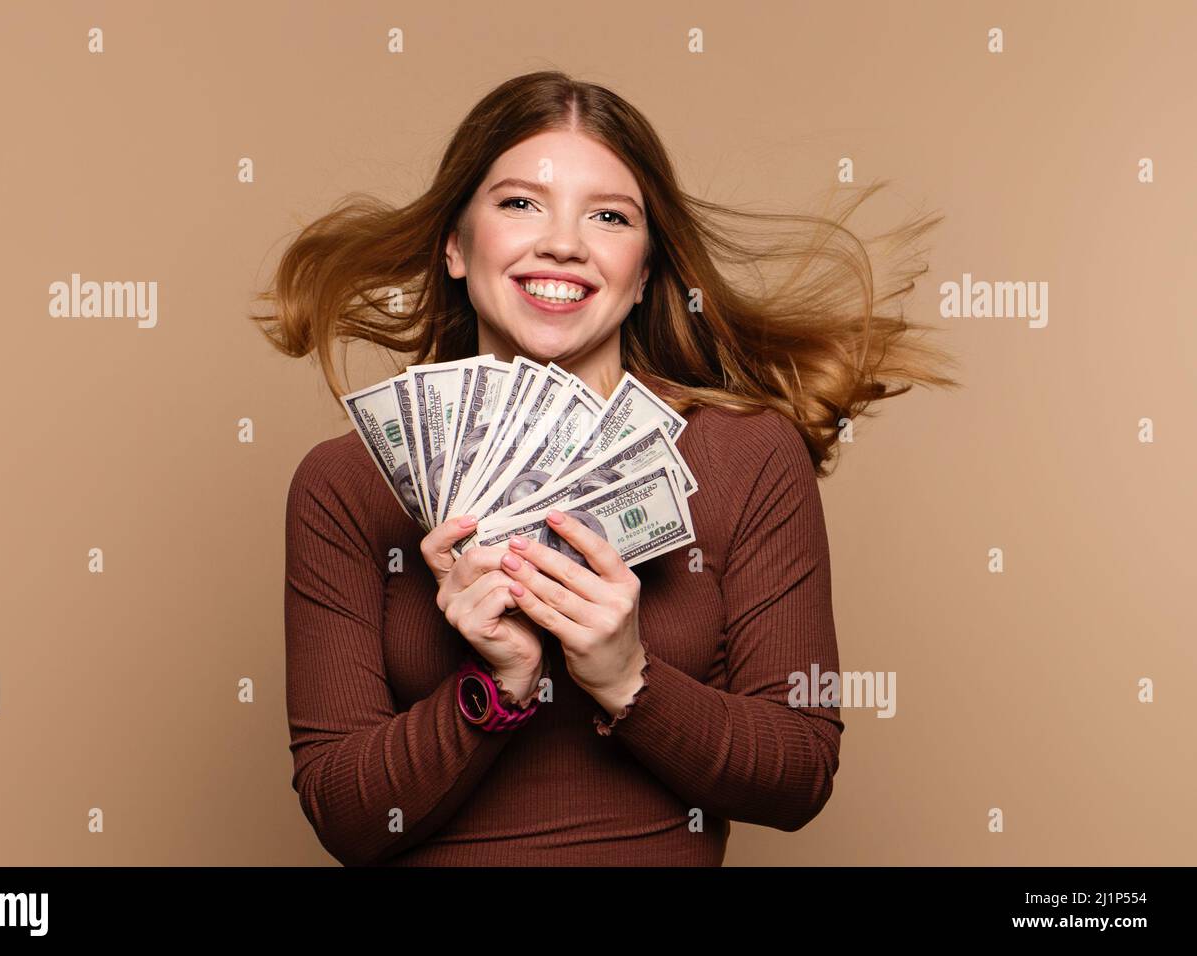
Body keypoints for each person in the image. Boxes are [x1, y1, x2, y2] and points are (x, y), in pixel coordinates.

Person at [252, 71, 958, 866]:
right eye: (520, 203)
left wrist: (628, 679)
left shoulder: (749, 455)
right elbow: (344, 817)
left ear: (646, 269)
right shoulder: (347, 485)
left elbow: (800, 774)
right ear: (454, 244)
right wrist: (497, 686)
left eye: (609, 216)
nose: (562, 243)